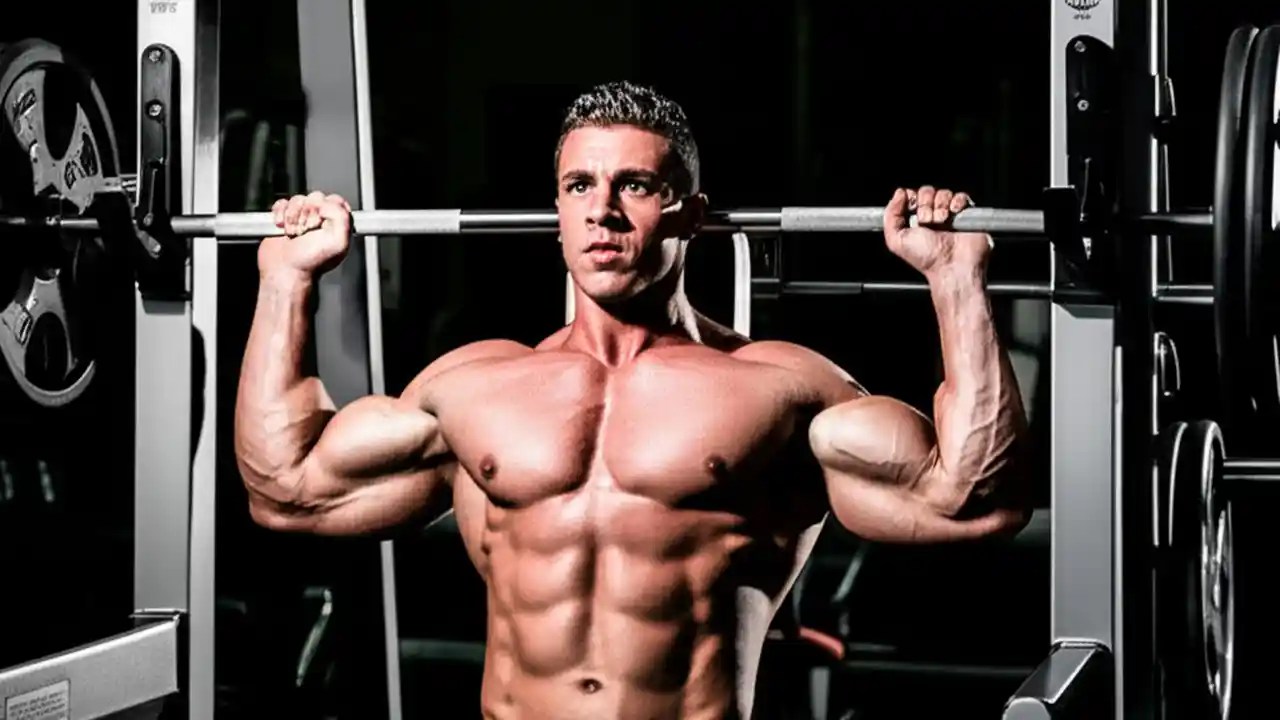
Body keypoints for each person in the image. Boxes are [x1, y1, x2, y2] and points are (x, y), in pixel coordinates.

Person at [235, 80, 1031, 720]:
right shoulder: (475, 388)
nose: (602, 210)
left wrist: (957, 283)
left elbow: (971, 496)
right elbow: (287, 489)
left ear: (689, 210)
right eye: (578, 185)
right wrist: (285, 282)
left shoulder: (777, 390)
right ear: (556, 215)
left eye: (635, 186)